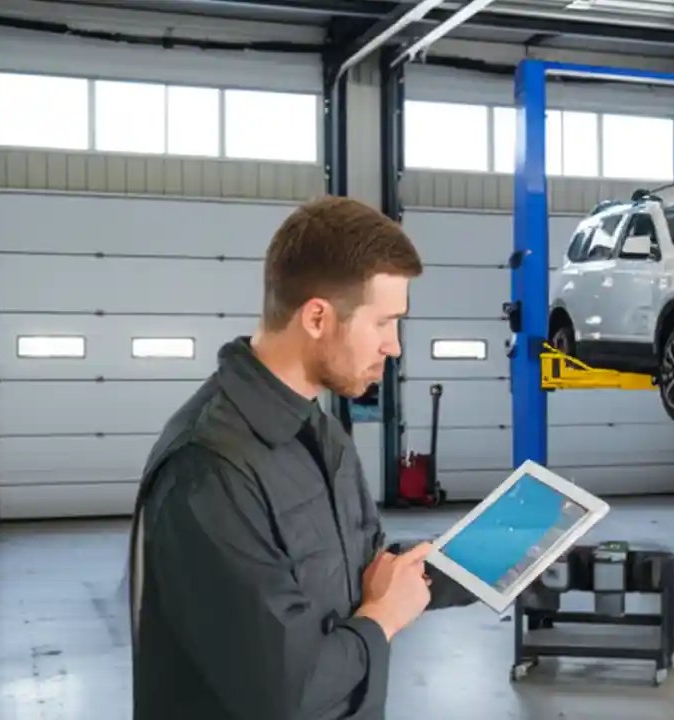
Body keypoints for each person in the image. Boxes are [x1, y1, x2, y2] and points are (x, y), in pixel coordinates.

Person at [127, 195, 472, 720]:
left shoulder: (320, 433)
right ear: (317, 317)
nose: (395, 346)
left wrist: (487, 564)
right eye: (383, 323)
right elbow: (291, 693)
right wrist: (382, 619)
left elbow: (361, 570)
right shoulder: (209, 468)